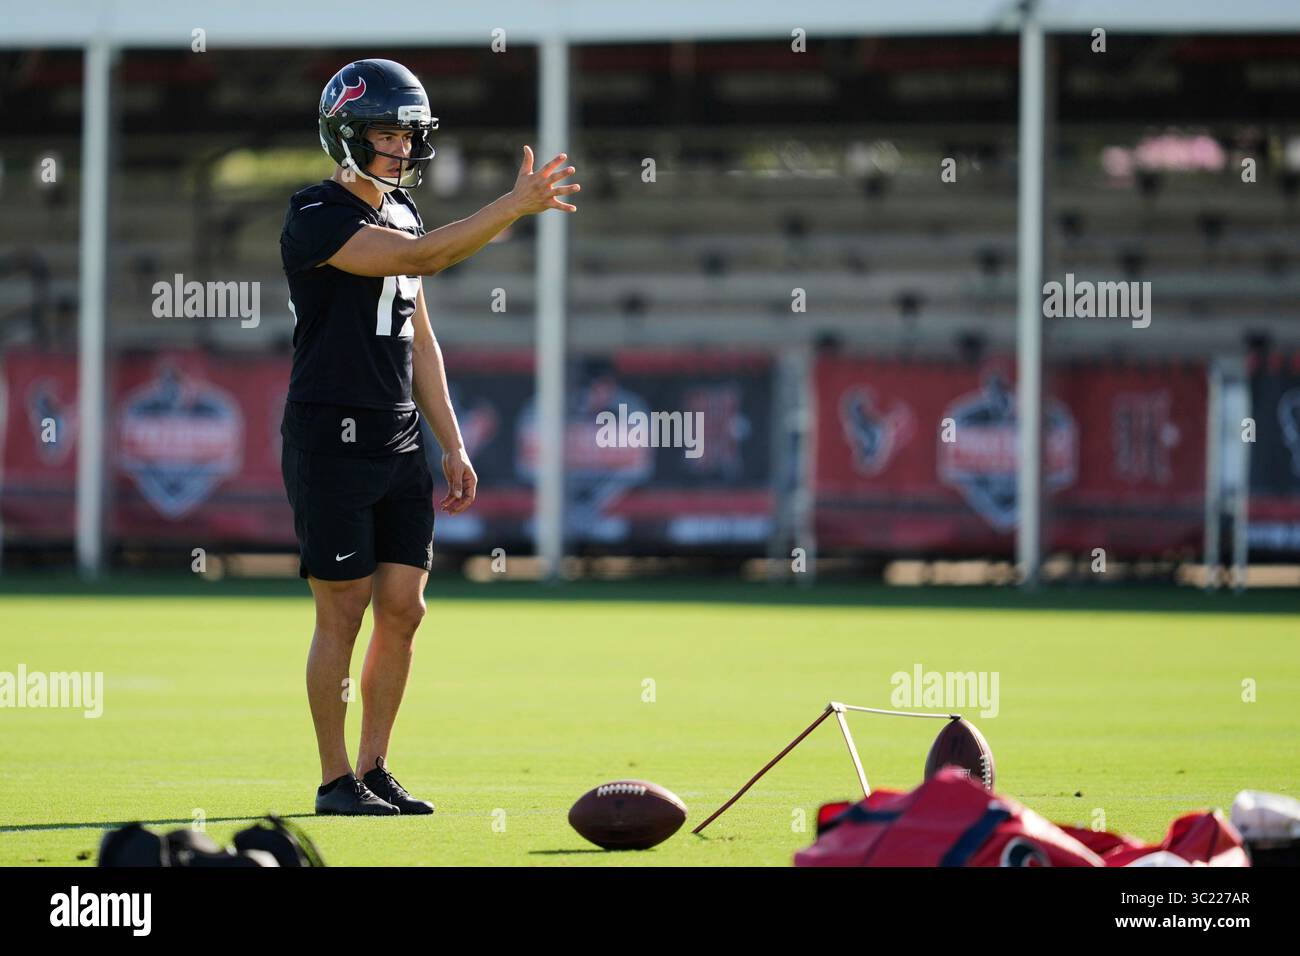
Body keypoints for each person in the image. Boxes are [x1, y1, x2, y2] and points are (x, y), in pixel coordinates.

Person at [279, 58, 579, 815]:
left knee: (405, 609)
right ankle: (332, 779)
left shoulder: (404, 208)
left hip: (398, 436)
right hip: (330, 438)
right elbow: (417, 257)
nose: (402, 148)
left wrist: (451, 439)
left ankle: (376, 767)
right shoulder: (315, 211)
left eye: (408, 133)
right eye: (386, 132)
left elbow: (420, 336)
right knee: (341, 611)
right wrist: (511, 207)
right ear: (345, 134)